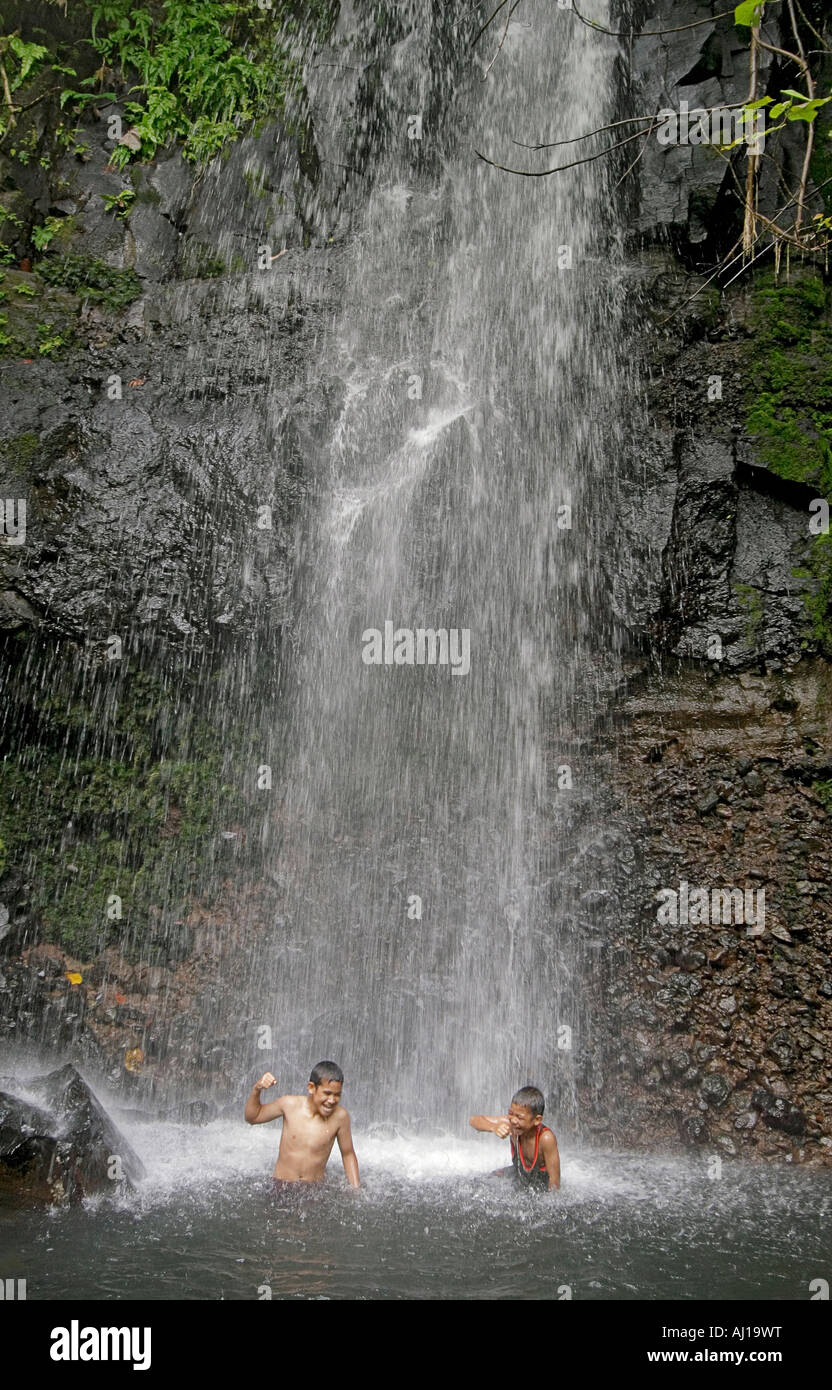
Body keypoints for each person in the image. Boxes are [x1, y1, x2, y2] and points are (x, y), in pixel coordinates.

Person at [244, 1059, 360, 1187]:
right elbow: (253, 1117)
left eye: (337, 1095)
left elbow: (348, 1154)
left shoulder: (340, 1117)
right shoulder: (289, 1105)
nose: (332, 1100)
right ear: (311, 1087)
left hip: (312, 1189)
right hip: (282, 1185)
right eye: (327, 1093)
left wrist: (356, 1189)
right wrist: (257, 1089)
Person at [469, 1085, 560, 1190]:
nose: (514, 1120)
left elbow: (554, 1182)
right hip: (518, 1175)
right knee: (481, 1181)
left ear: (537, 1120)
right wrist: (494, 1127)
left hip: (540, 1183)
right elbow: (473, 1120)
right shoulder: (511, 1123)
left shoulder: (546, 1139)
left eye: (520, 1117)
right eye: (511, 1114)